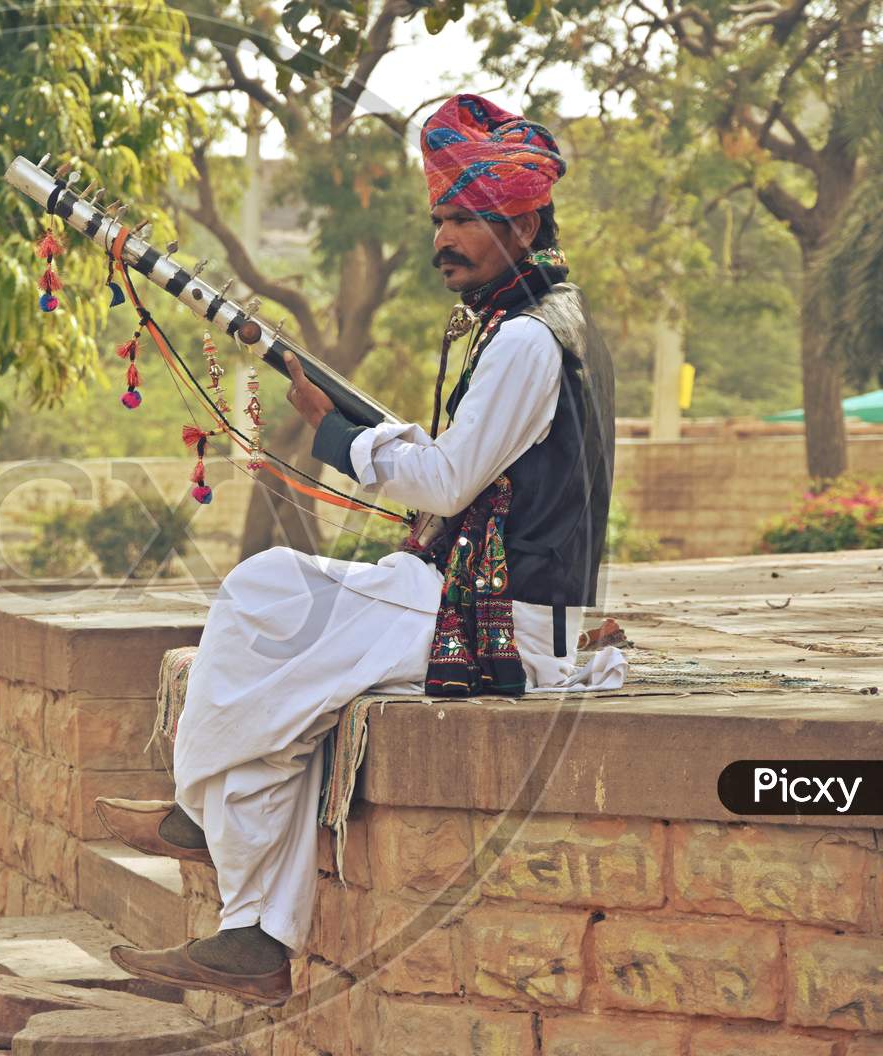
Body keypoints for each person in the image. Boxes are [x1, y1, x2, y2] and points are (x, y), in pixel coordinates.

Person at [93, 93, 627, 1006]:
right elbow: (470, 465)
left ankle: (200, 817)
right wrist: (382, 436)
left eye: (467, 217)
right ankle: (251, 931)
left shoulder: (530, 340)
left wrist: (337, 437)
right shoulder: (534, 323)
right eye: (441, 218)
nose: (445, 238)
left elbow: (448, 481)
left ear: (526, 217)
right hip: (485, 603)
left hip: (508, 627)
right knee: (291, 671)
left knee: (264, 590)